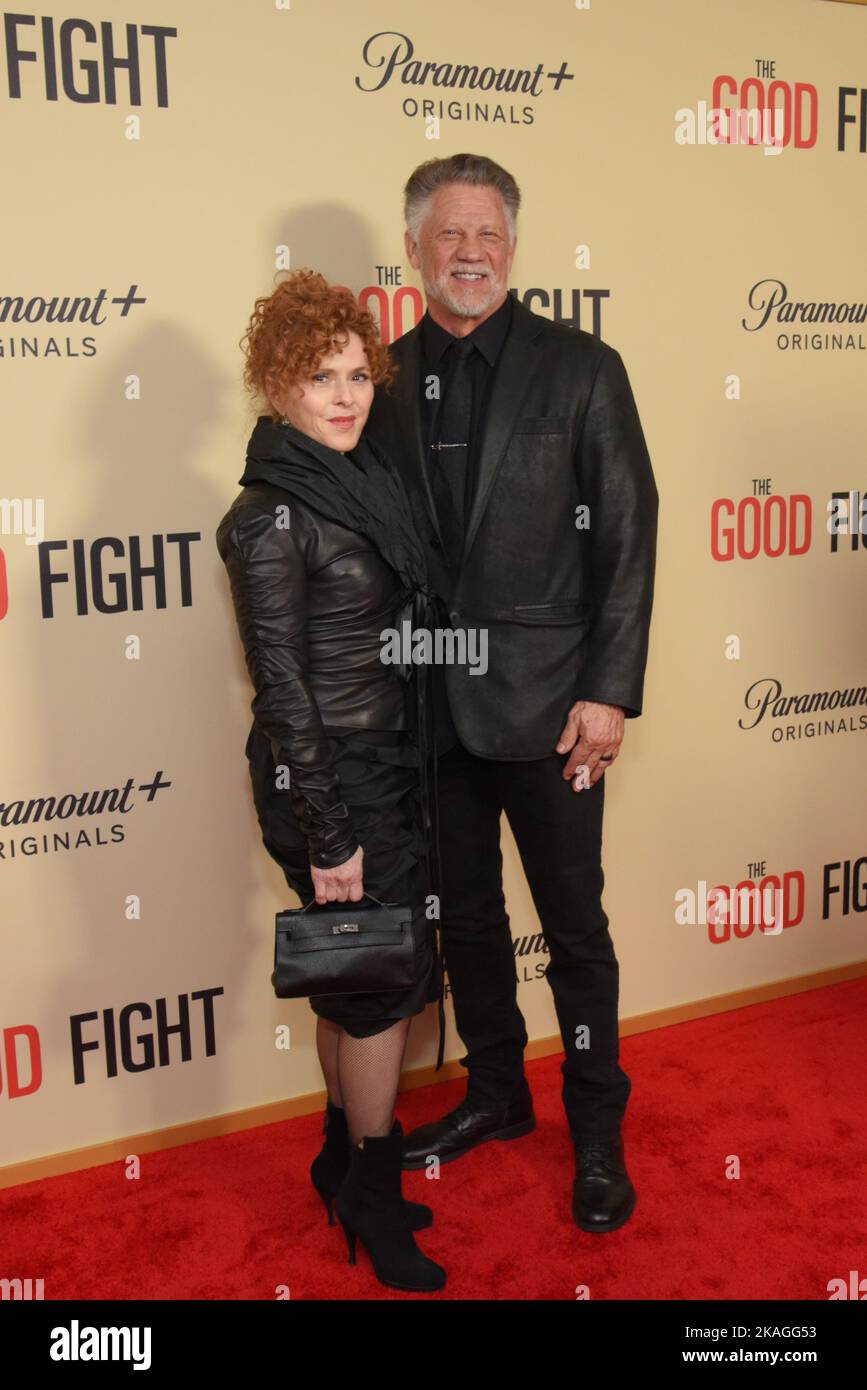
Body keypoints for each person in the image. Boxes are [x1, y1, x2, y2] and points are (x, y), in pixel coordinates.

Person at [366, 153, 659, 1234]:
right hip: (429, 710)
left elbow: (627, 533)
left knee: (574, 929)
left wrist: (609, 690)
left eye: (489, 234)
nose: (471, 252)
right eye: (449, 234)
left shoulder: (583, 368)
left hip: (550, 710)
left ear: (515, 248)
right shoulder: (381, 381)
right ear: (412, 249)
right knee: (467, 921)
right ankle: (496, 1093)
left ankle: (597, 1136)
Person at [216, 269, 446, 1291]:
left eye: (359, 373)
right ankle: (373, 1191)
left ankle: (339, 1159)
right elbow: (285, 690)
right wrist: (329, 832)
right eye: (321, 377)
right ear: (277, 387)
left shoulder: (352, 484)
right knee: (377, 992)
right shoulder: (267, 518)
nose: (348, 395)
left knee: (354, 974)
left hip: (382, 765)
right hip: (330, 779)